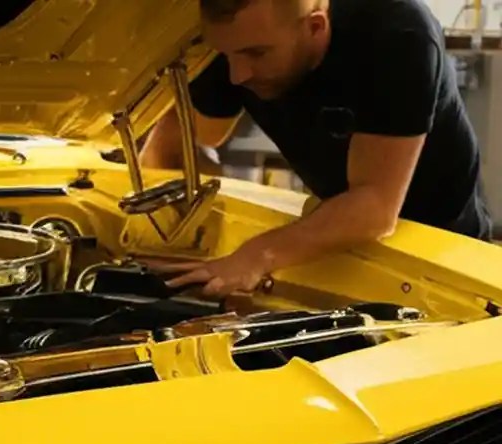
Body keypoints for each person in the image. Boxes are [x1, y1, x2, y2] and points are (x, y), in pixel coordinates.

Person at [141, 0, 492, 297]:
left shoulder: (396, 33)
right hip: (339, 243)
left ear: (315, 27)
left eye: (256, 54)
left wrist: (255, 255)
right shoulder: (240, 41)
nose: (238, 75)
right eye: (226, 54)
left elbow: (374, 206)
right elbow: (198, 134)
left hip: (446, 262)